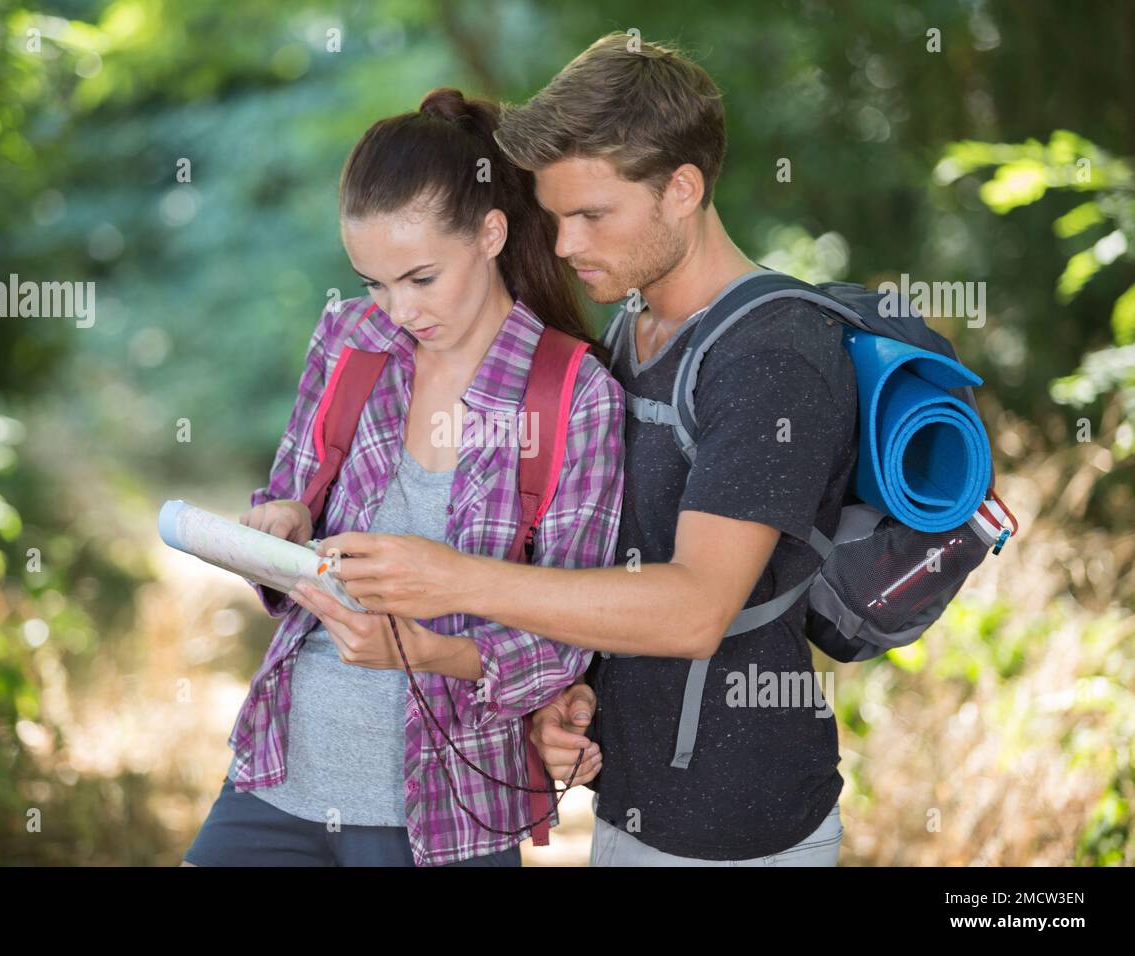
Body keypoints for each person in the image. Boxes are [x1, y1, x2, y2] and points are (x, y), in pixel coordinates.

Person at [314, 34, 856, 866]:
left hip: (741, 824)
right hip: (637, 802)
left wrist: (452, 577)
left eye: (591, 215)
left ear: (683, 189)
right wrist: (569, 699)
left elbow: (693, 608)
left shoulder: (772, 354)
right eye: (555, 215)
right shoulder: (631, 334)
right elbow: (606, 567)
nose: (563, 246)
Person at [182, 87, 625, 867]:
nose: (395, 310)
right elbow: (290, 504)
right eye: (373, 282)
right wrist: (282, 525)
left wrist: (426, 652)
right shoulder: (348, 340)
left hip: (447, 814)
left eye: (421, 279)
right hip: (278, 775)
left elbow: (569, 637)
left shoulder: (574, 394)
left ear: (491, 233)